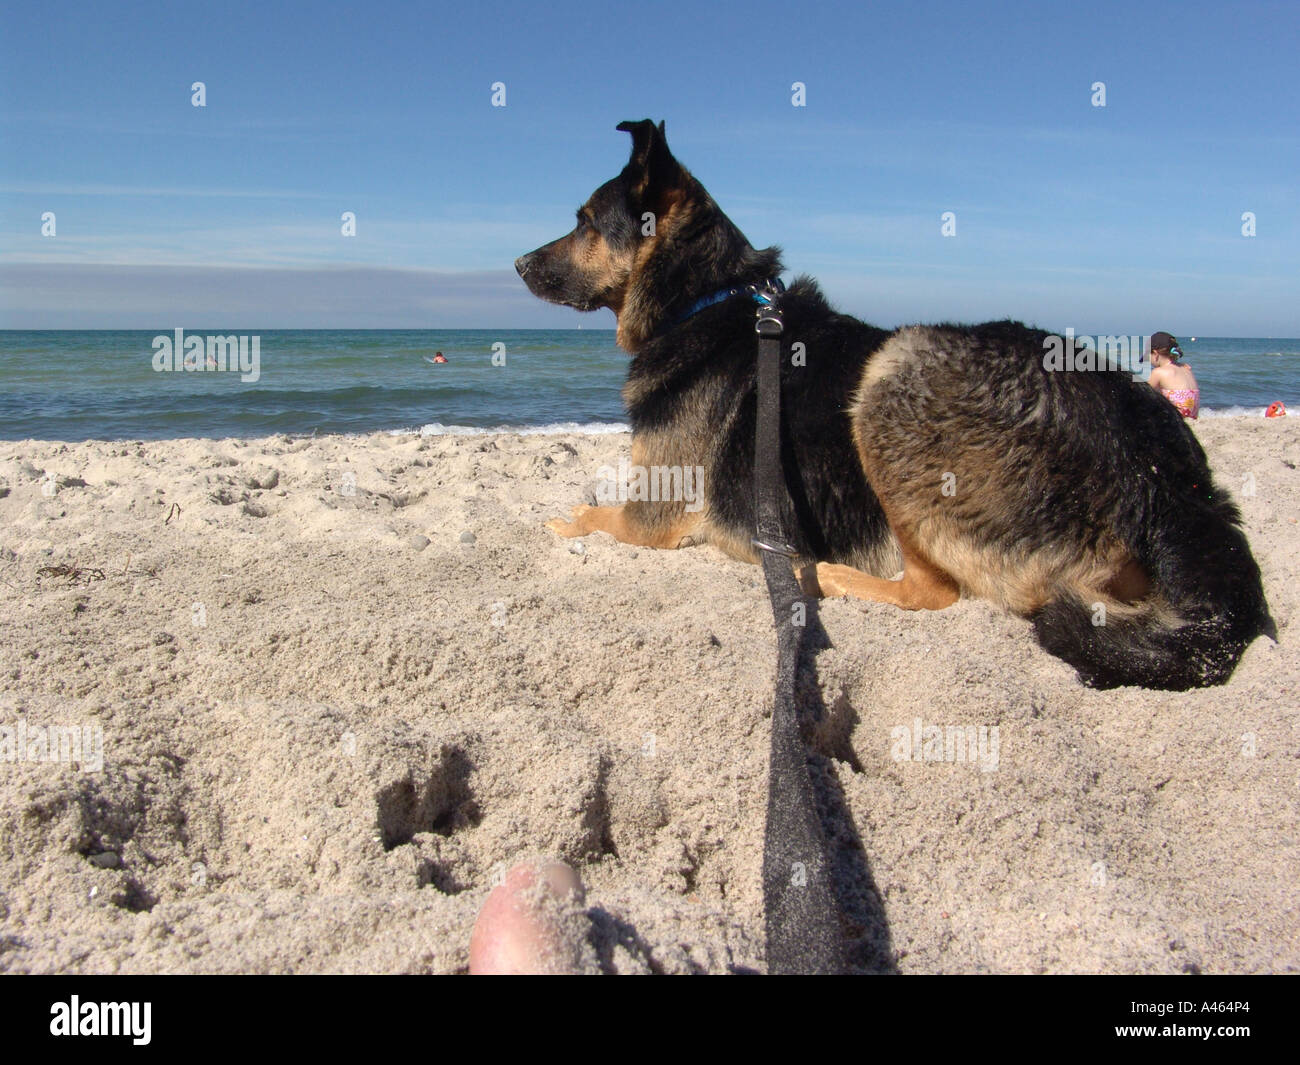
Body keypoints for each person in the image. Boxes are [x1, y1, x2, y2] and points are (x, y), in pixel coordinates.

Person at [1146, 331, 1199, 419]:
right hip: (1192, 414)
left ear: (1155, 354)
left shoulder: (1159, 372)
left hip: (1176, 417)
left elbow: (1143, 394)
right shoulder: (1185, 368)